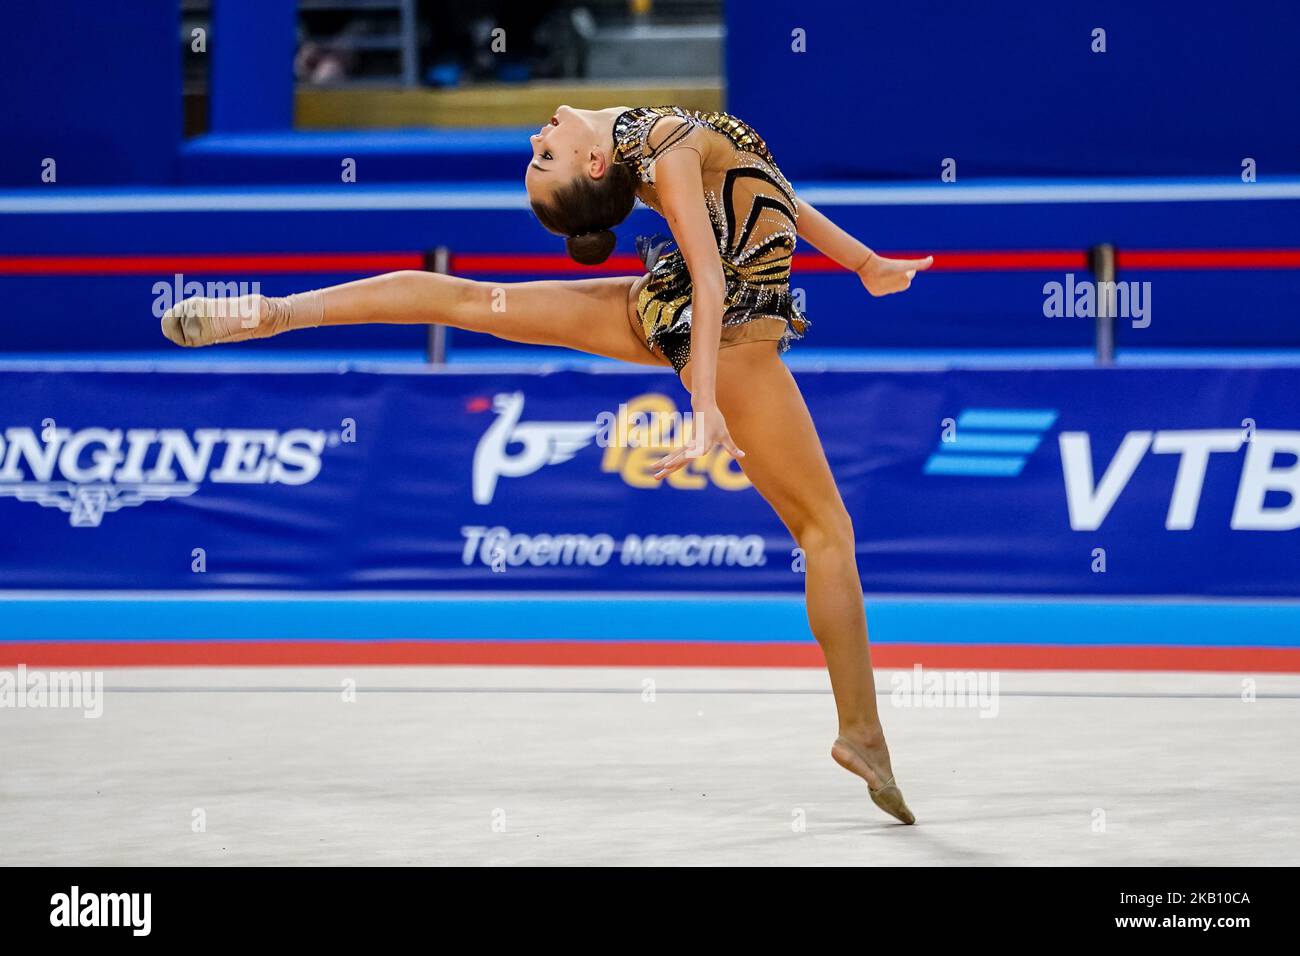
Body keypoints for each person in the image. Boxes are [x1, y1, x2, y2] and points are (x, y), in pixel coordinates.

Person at [161, 104, 933, 824]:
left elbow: (764, 189)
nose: (535, 142)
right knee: (825, 531)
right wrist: (704, 402)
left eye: (537, 156)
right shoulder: (660, 152)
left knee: (469, 303)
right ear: (595, 163)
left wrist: (861, 260)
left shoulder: (642, 140)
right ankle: (859, 732)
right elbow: (707, 278)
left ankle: (282, 313)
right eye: (546, 158)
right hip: (727, 338)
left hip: (656, 312)